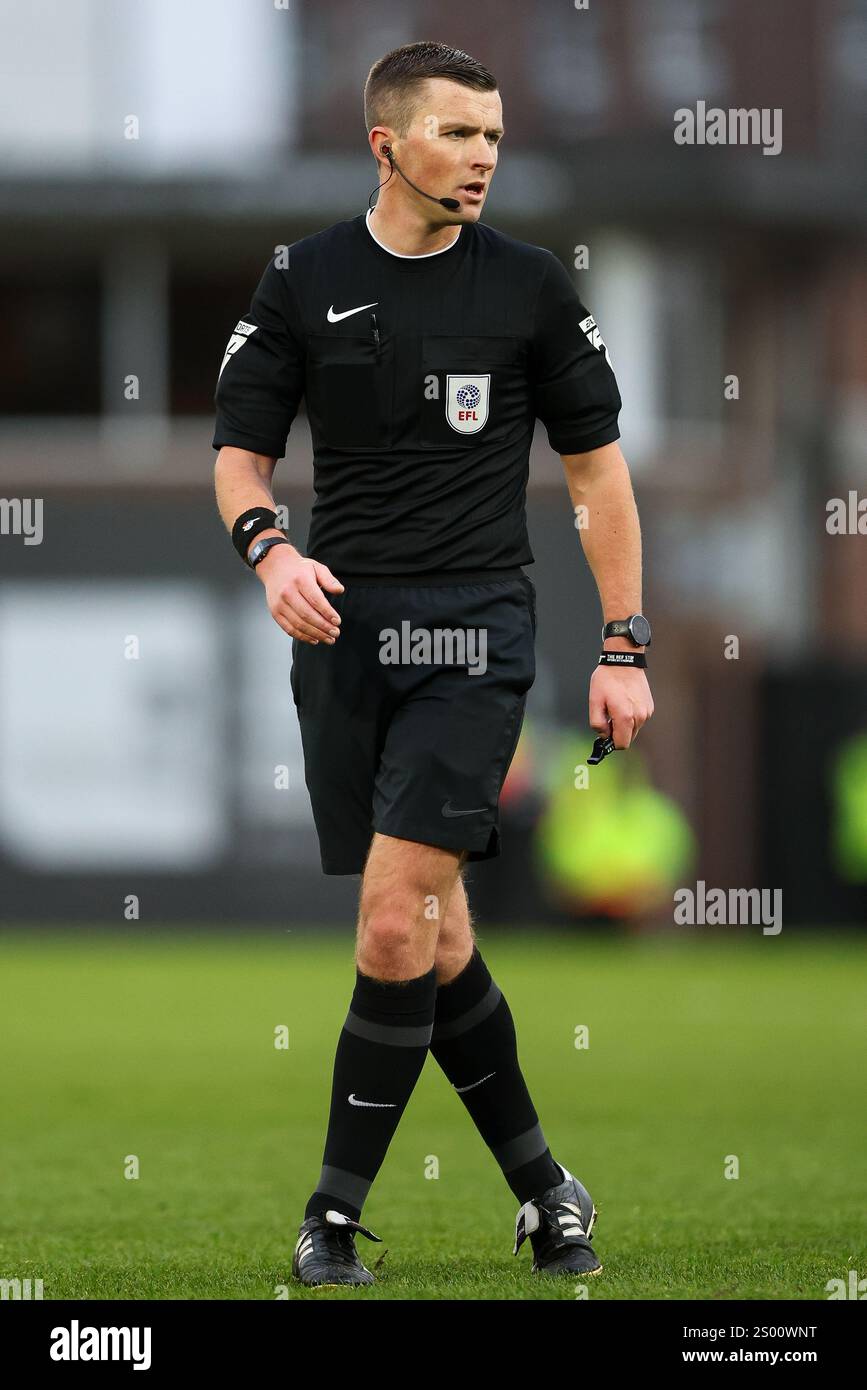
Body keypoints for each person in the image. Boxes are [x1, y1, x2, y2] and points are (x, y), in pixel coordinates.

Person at [212, 40, 654, 1287]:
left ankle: (331, 1216)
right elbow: (238, 456)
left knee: (394, 926)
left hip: (474, 637)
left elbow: (597, 475)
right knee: (438, 933)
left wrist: (623, 641)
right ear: (386, 144)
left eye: (494, 138)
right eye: (458, 134)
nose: (481, 158)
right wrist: (271, 555)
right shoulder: (300, 280)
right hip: (345, 635)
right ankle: (546, 1191)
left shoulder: (529, 286)